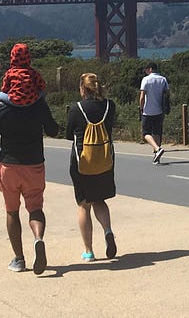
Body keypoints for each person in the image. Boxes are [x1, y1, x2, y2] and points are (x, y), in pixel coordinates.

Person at [0, 73, 59, 274]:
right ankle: (38, 238)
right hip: (34, 164)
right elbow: (53, 130)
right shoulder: (39, 104)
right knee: (35, 208)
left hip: (9, 166)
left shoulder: (1, 106)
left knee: (12, 211)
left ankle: (19, 259)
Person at [66, 72, 119, 262]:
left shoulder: (76, 108)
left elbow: (68, 134)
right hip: (104, 160)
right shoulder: (110, 106)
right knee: (99, 200)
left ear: (83, 88)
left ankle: (88, 251)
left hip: (82, 163)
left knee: (84, 205)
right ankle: (108, 230)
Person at [0, 42, 47, 106]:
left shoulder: (10, 73)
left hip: (14, 101)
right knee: (42, 93)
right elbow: (42, 86)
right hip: (31, 101)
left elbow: (4, 89)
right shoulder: (33, 72)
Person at [138, 62, 169, 164]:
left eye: (146, 69)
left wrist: (141, 108)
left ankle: (157, 149)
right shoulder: (163, 79)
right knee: (157, 133)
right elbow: (167, 94)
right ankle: (157, 156)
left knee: (145, 133)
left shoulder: (146, 79)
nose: (146, 71)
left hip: (148, 110)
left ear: (150, 69)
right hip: (159, 110)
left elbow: (142, 96)